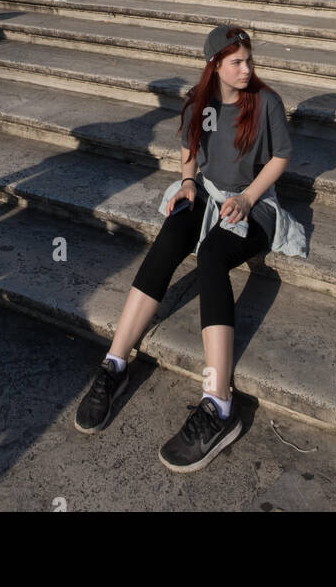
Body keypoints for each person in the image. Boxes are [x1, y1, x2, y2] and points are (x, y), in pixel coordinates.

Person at [73, 25, 306, 470]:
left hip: (255, 204)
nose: (247, 69)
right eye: (237, 62)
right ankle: (115, 363)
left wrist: (246, 198)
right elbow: (188, 146)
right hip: (209, 193)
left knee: (213, 255)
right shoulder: (202, 104)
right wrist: (186, 184)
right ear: (215, 65)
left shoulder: (267, 102)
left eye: (249, 60)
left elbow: (279, 159)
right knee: (171, 234)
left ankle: (219, 404)